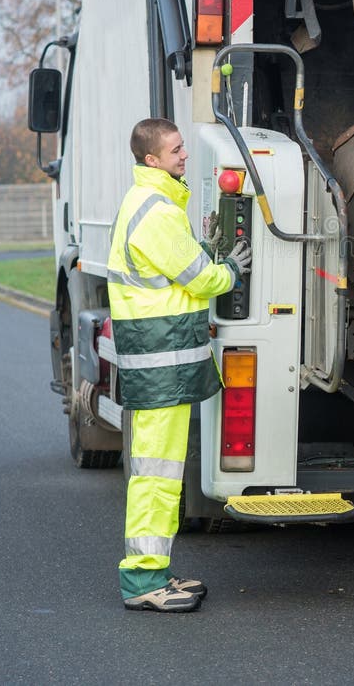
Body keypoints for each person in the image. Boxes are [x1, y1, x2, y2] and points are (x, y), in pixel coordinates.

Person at [107, 117, 251, 612]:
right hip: (160, 362)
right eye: (175, 151)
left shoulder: (150, 203)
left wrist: (209, 254)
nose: (184, 156)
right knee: (156, 474)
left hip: (156, 359)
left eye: (182, 147)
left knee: (159, 472)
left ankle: (154, 575)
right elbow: (199, 278)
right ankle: (143, 583)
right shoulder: (157, 212)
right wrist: (230, 270)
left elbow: (177, 268)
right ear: (152, 160)